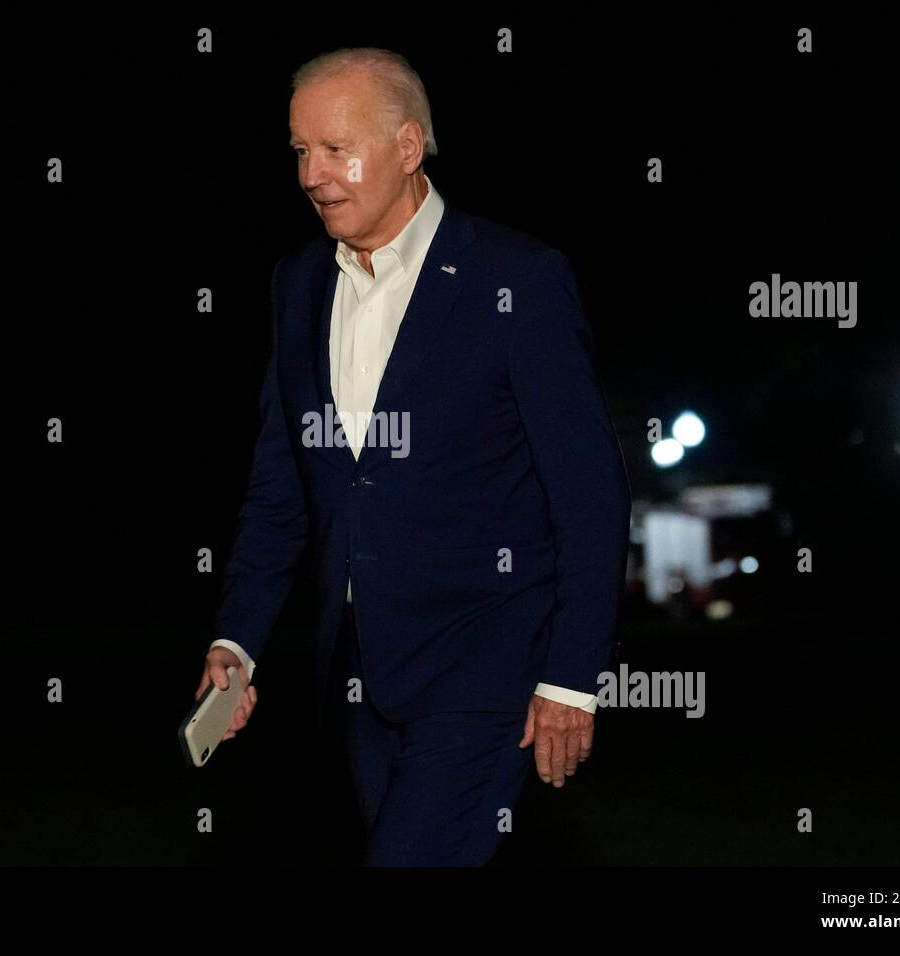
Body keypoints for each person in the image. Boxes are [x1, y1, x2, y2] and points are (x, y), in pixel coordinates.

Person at [194, 46, 632, 866]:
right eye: (300, 150)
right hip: (357, 675)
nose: (312, 175)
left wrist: (573, 679)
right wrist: (239, 641)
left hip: (486, 669)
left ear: (407, 146)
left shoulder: (516, 278)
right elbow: (283, 488)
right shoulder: (297, 284)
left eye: (337, 148)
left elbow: (590, 494)